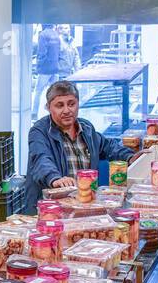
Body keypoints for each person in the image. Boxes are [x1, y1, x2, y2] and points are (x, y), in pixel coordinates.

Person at [24, 81, 135, 213]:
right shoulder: (39, 131)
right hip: (50, 211)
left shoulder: (87, 128)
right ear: (48, 107)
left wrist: (130, 157)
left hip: (84, 207)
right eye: (59, 106)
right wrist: (55, 178)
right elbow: (41, 159)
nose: (66, 110)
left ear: (78, 104)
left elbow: (108, 146)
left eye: (71, 104)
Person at [34, 24, 65, 116]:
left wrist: (39, 64)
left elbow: (41, 52)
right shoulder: (56, 35)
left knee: (38, 91)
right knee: (54, 93)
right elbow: (60, 51)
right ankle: (54, 113)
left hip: (45, 68)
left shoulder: (43, 35)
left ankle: (34, 113)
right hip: (55, 68)